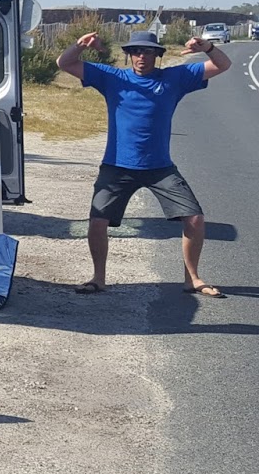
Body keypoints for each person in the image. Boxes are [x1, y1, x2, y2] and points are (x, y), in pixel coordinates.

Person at [59, 30, 231, 296]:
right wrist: (80, 45)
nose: (142, 56)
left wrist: (207, 47)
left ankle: (193, 279)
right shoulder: (112, 77)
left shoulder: (175, 78)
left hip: (159, 167)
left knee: (195, 218)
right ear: (129, 55)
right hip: (117, 165)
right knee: (97, 221)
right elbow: (65, 63)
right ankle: (98, 278)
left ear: (157, 55)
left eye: (148, 51)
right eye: (136, 51)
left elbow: (222, 65)